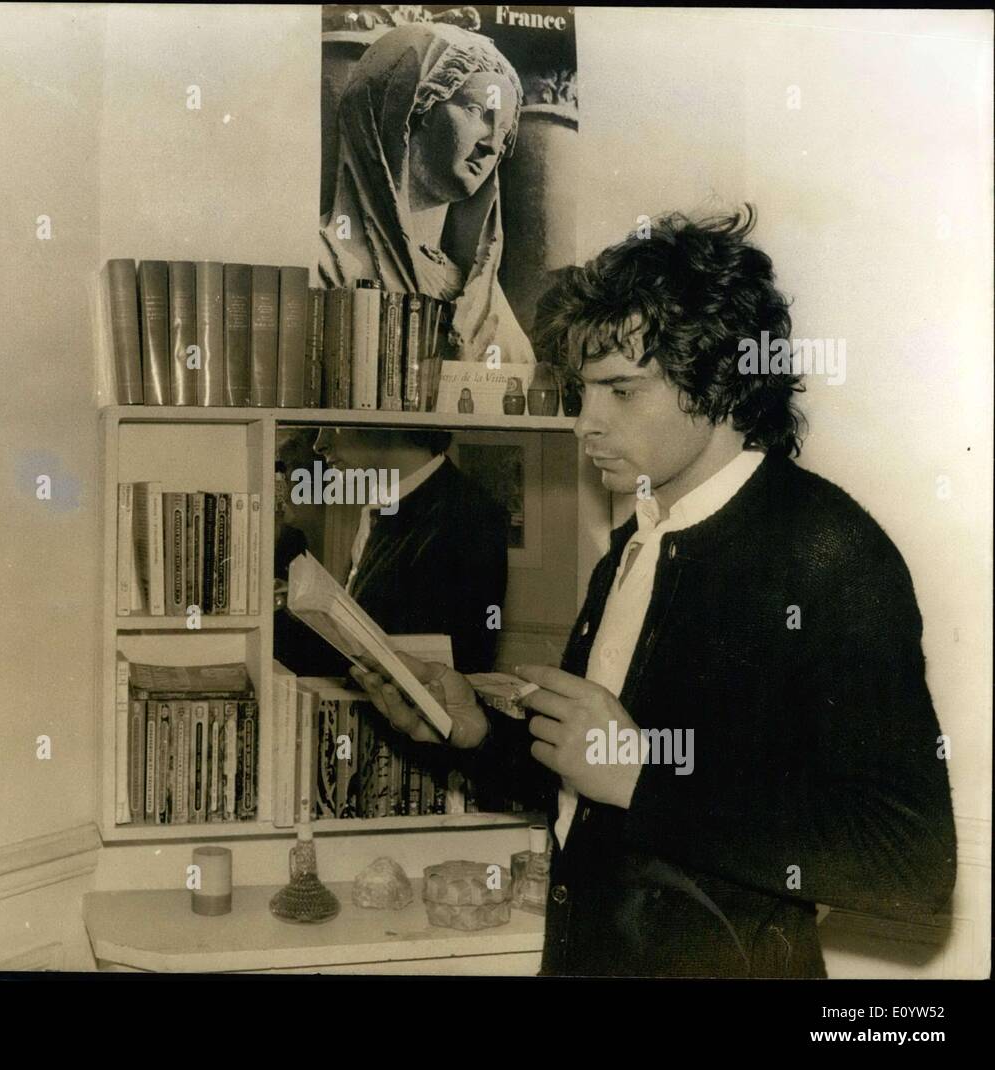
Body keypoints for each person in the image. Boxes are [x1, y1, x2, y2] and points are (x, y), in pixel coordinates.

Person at [351, 206, 957, 977]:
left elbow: (912, 863)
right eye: (583, 390)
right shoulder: (638, 542)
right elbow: (592, 786)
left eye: (622, 392)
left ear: (723, 387)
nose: (585, 424)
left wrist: (641, 777)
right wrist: (468, 730)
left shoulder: (828, 553)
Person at [319, 22, 534, 365]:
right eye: (476, 112)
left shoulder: (480, 297)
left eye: (505, 131)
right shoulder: (325, 262)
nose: (491, 144)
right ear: (409, 111)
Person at [275, 428, 507, 676]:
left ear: (388, 423)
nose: (319, 444)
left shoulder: (469, 516)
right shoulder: (385, 507)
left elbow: (458, 664)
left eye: (334, 425)